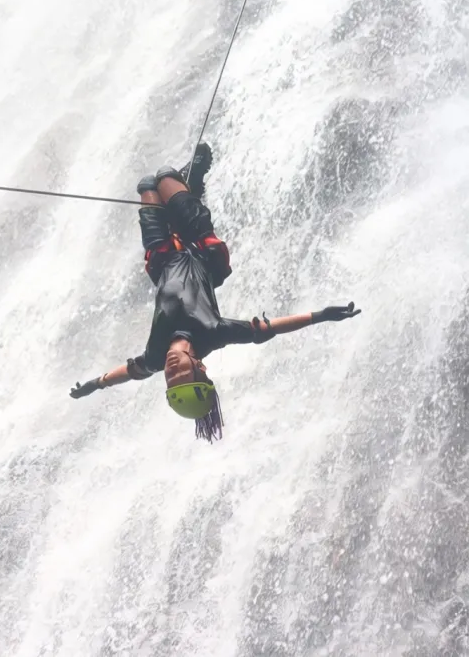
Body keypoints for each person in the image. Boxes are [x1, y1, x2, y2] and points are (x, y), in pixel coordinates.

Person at [70, 143, 361, 442]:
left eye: (171, 380)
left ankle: (188, 189)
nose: (173, 371)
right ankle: (192, 181)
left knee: (146, 186)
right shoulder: (214, 334)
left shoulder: (156, 356)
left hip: (162, 258)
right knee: (164, 176)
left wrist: (96, 383)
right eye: (184, 374)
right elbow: (269, 329)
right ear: (200, 367)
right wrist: (320, 316)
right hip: (201, 251)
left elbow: (131, 372)